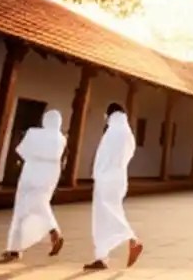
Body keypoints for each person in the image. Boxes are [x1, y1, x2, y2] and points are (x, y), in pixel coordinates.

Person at [0, 109, 66, 263]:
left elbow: (21, 151)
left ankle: (18, 247)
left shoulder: (33, 133)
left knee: (22, 209)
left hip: (32, 171)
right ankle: (18, 247)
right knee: (40, 202)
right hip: (51, 173)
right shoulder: (62, 138)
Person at [84, 103, 143, 271]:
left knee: (107, 213)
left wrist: (96, 174)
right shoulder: (128, 134)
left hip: (106, 178)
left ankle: (132, 239)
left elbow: (103, 157)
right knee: (106, 215)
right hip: (119, 178)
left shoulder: (112, 132)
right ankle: (101, 257)